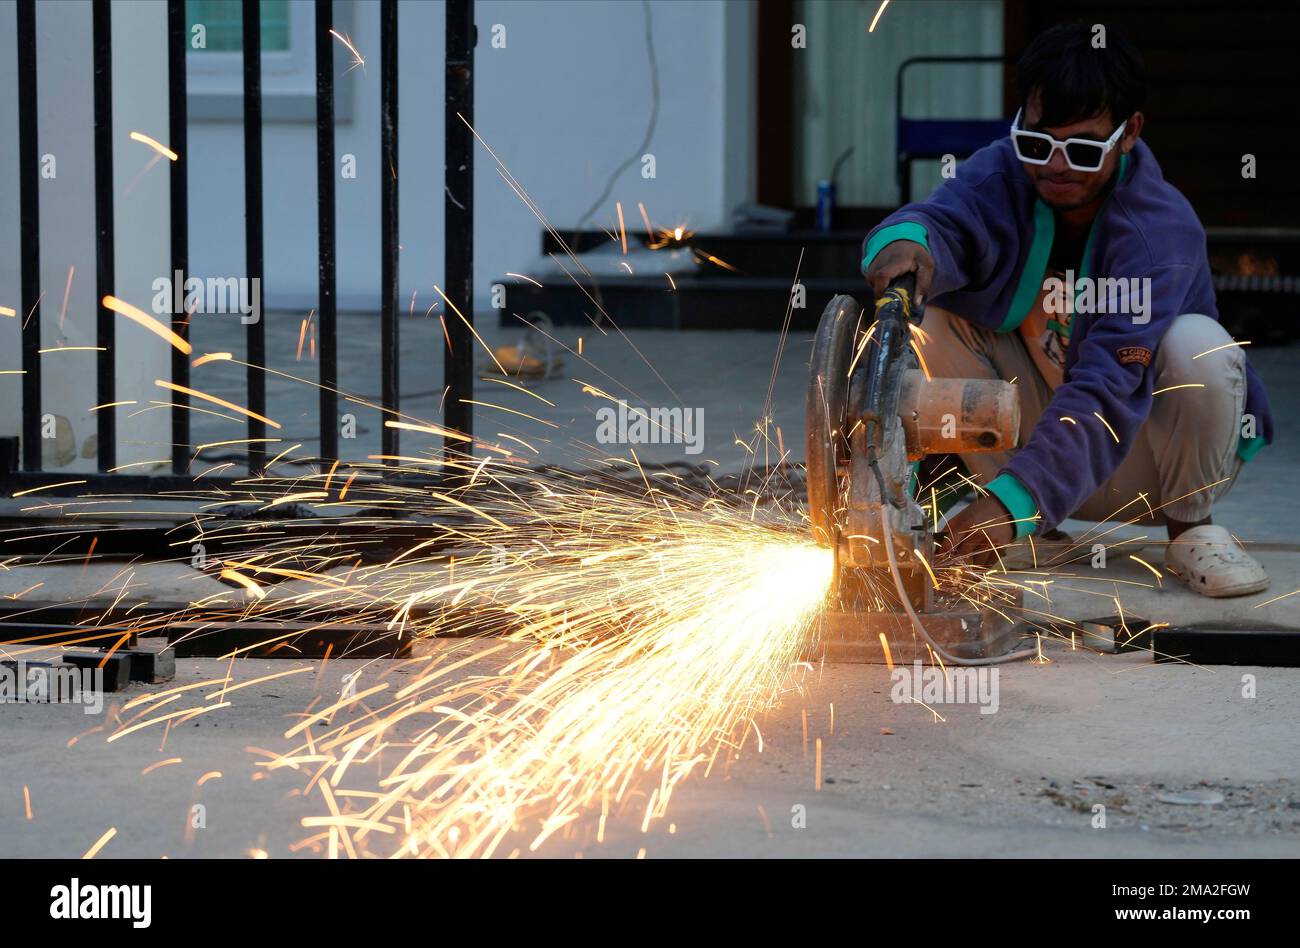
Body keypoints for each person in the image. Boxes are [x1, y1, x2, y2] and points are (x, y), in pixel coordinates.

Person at [863, 22, 1271, 597]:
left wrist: (1006, 508)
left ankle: (1191, 532)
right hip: (1037, 452)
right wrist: (908, 244)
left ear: (1129, 134)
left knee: (1197, 344)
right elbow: (939, 220)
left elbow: (1107, 389)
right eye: (1037, 144)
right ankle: (1034, 524)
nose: (1055, 165)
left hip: (1144, 462)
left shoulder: (1160, 230)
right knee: (937, 314)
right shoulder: (998, 173)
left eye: (1081, 148)